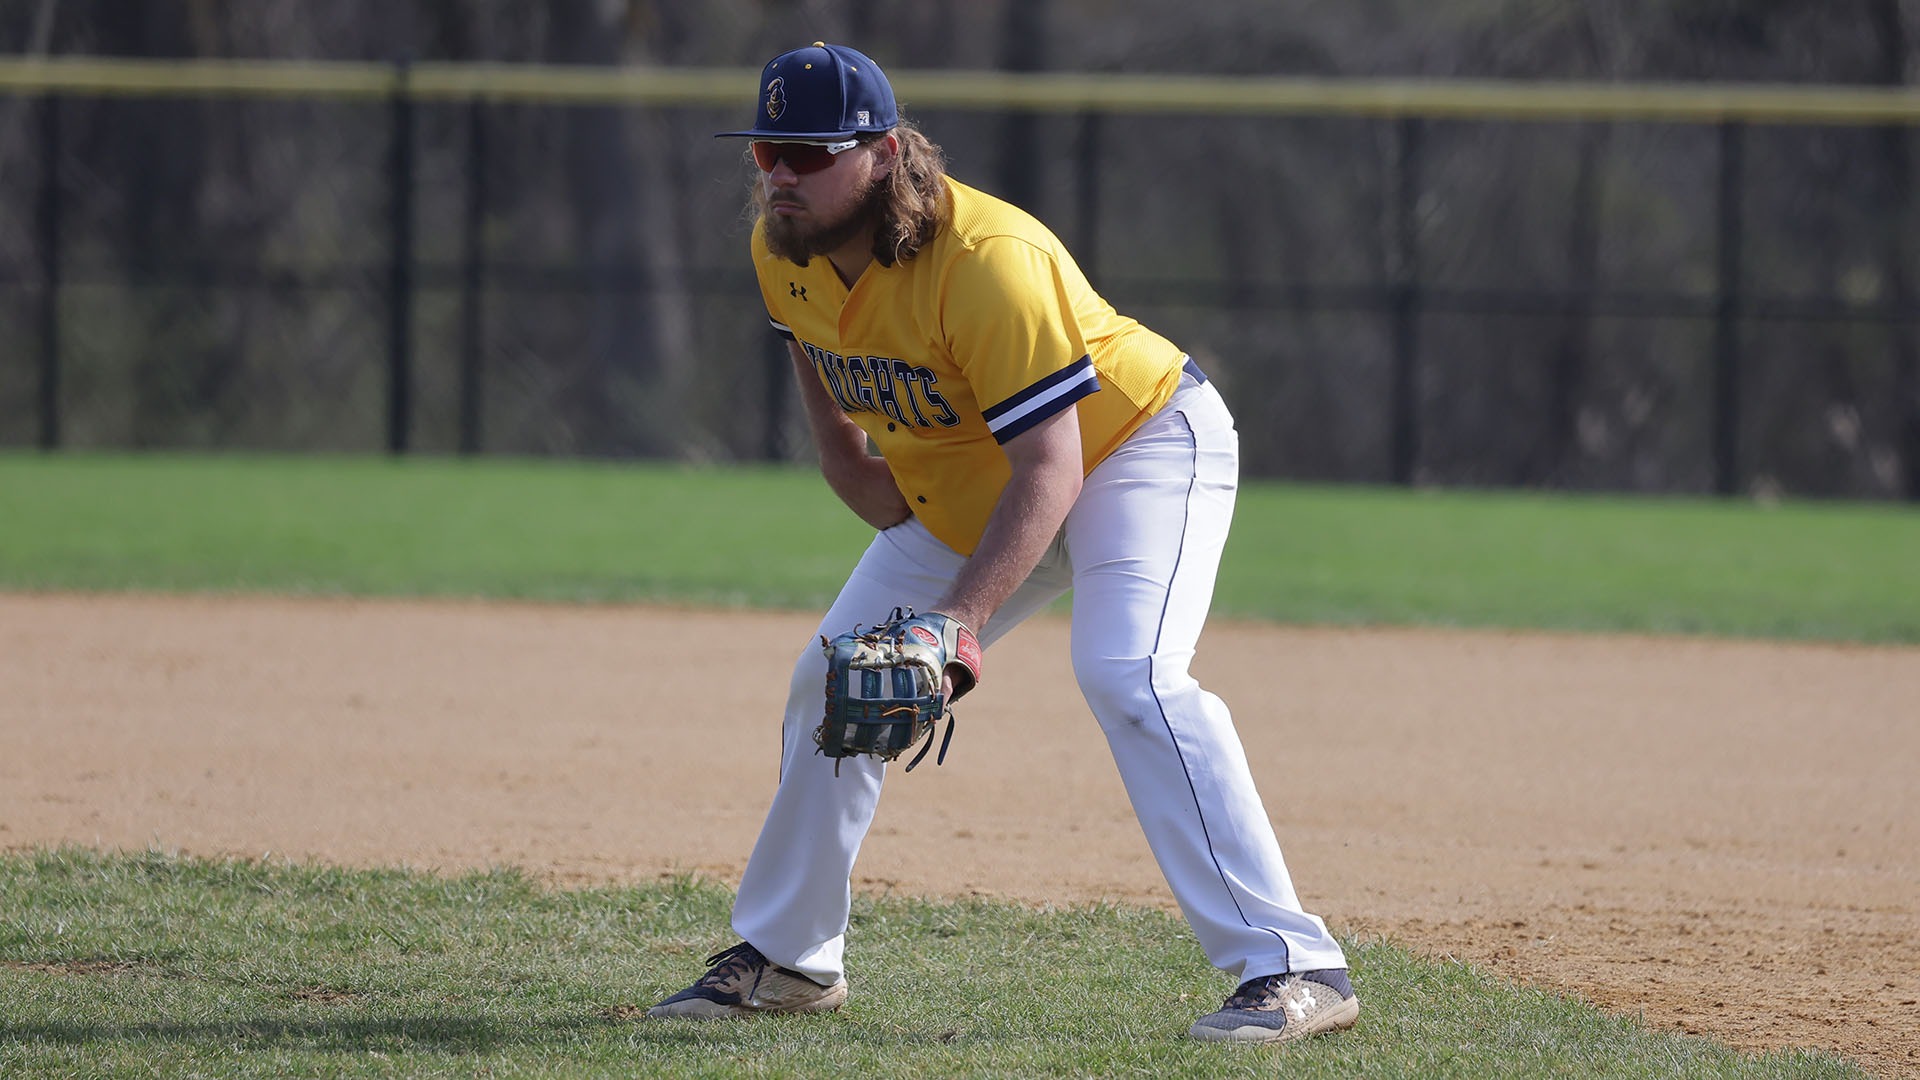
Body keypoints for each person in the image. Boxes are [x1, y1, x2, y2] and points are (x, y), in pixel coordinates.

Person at [646, 42, 1358, 1045]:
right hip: (976, 479)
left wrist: (958, 623)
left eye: (807, 153)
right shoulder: (782, 244)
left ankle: (1296, 966)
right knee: (831, 678)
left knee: (1131, 674)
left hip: (1136, 447)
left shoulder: (986, 263)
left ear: (884, 153)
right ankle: (792, 960)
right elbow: (815, 340)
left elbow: (1053, 471)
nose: (778, 174)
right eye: (766, 151)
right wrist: (839, 456)